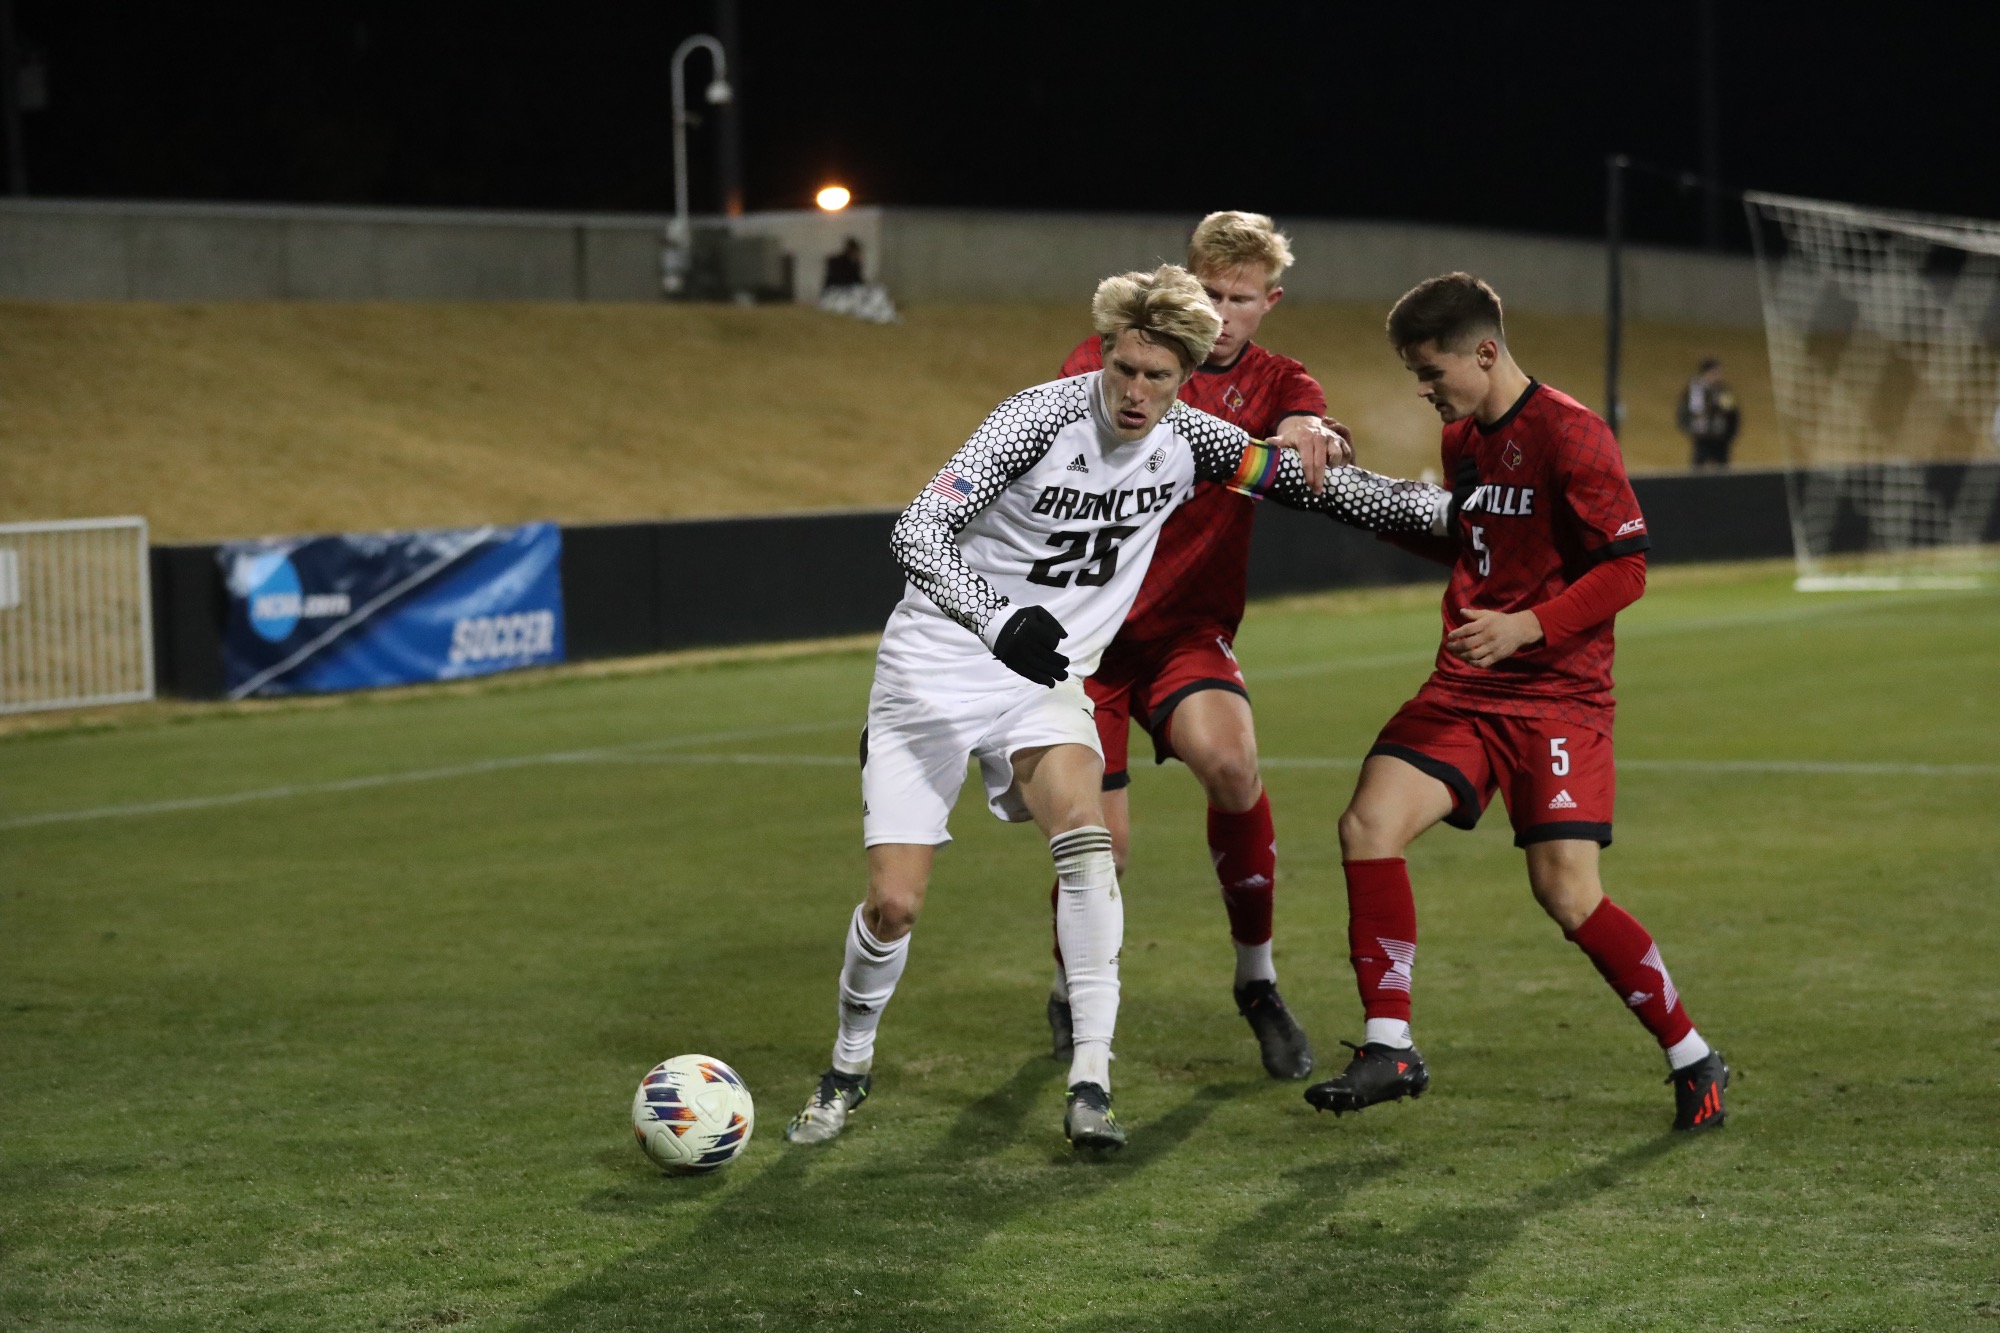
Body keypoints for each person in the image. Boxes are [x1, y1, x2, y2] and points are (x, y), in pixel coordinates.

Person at [783, 265, 1448, 1152]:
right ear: (1105, 354)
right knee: (895, 904)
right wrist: (994, 614)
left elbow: (1311, 485)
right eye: (1124, 369)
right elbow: (914, 531)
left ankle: (1091, 1079)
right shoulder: (1037, 417)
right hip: (933, 672)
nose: (1136, 394)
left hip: (1036, 681)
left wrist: (1457, 514)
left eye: (1158, 376)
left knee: (1089, 841)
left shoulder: (1196, 440)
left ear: (1185, 376)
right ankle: (848, 1068)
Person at [1306, 272, 1729, 1133]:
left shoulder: (1573, 436)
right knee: (1367, 825)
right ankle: (1390, 1042)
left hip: (1559, 698)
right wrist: (1362, 502)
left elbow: (1628, 568)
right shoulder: (1465, 441)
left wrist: (1527, 627)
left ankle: (1692, 1053)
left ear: (1486, 351)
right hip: (1465, 691)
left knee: (1567, 893)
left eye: (1432, 373)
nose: (1425, 392)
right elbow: (1477, 541)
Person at [1049, 212, 1347, 1081]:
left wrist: (1317, 435)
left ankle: (1257, 980)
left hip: (1187, 633)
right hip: (1088, 642)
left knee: (1232, 762)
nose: (1219, 313)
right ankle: (1074, 990)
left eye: (1238, 298)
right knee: (1098, 841)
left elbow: (1313, 425)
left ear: (1269, 302)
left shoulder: (1282, 379)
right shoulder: (1116, 361)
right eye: (1206, 293)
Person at [1676, 357, 1740, 469]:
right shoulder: (1696, 391)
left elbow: (1732, 412)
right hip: (1703, 438)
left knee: (1723, 472)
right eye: (1715, 373)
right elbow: (1689, 412)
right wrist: (1690, 429)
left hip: (1720, 439)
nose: (1718, 376)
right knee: (1698, 471)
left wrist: (1730, 433)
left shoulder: (1722, 390)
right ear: (1705, 373)